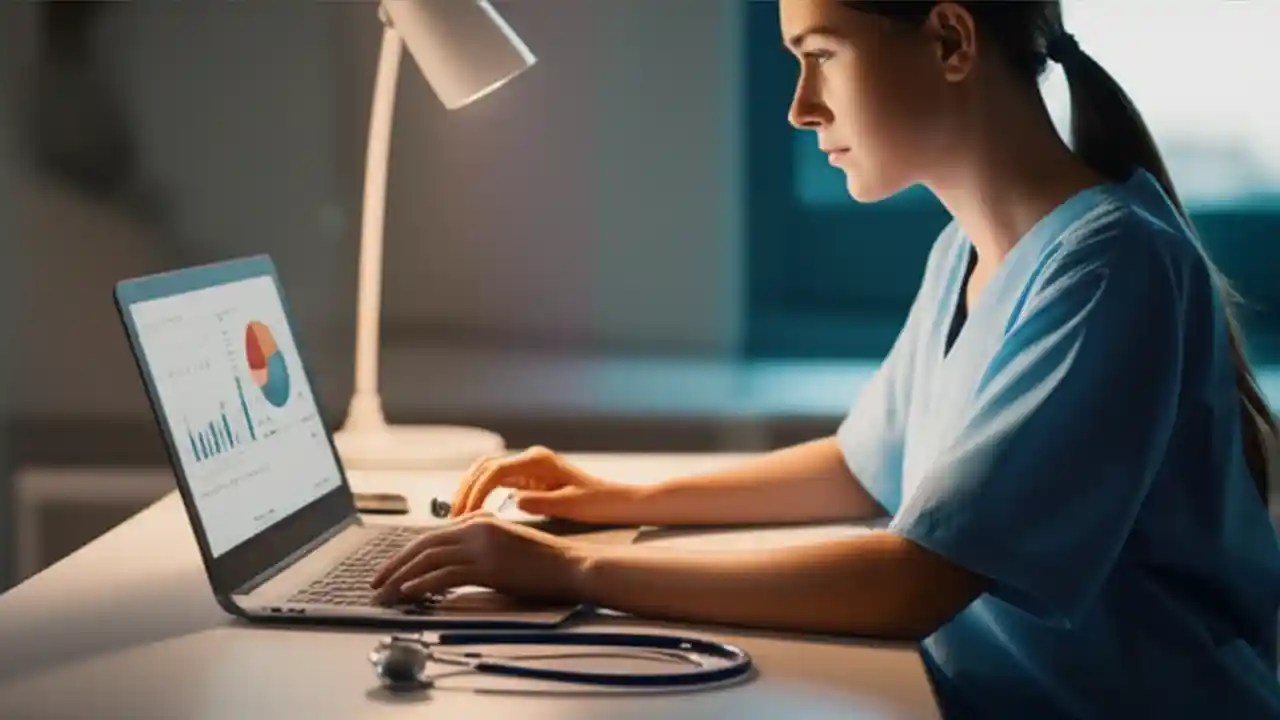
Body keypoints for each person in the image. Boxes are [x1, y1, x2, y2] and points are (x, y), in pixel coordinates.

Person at [371, 1, 1280, 716]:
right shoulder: (967, 252)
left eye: (821, 54)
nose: (802, 107)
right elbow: (862, 467)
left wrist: (574, 575)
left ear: (951, 40)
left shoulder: (1108, 267)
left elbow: (913, 583)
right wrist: (611, 496)